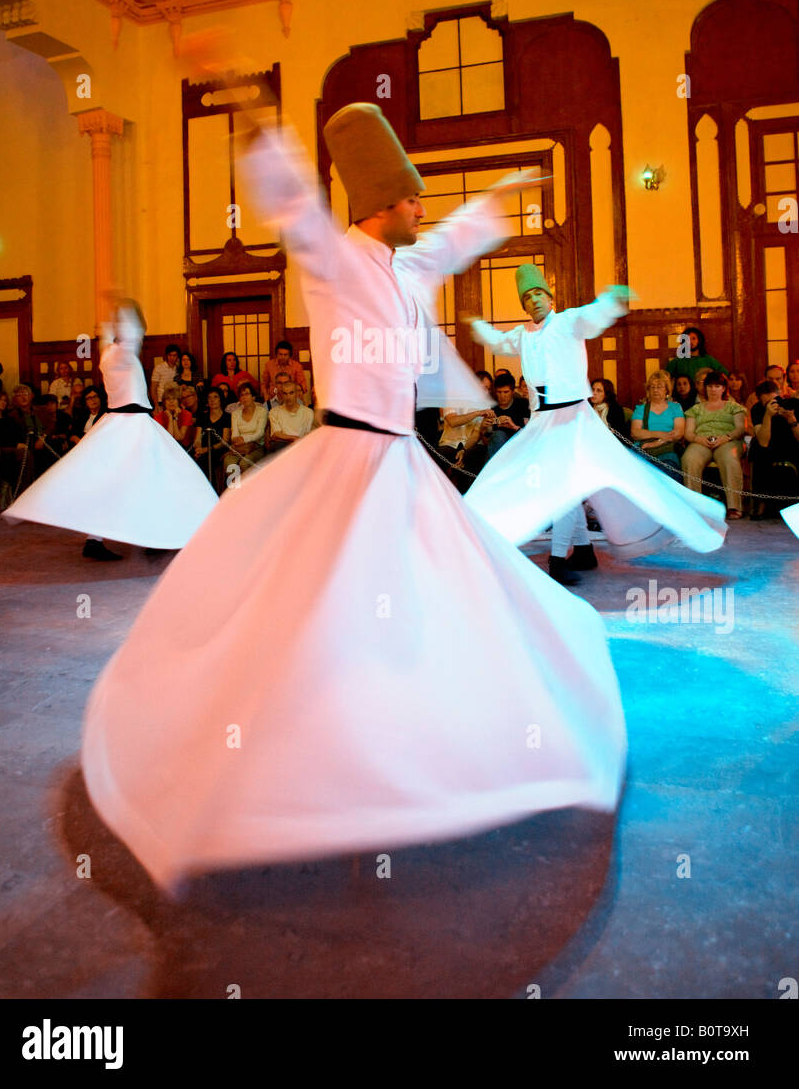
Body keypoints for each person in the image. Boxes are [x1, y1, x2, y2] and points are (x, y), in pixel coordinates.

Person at [80, 56, 625, 893]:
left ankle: (421, 725)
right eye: (411, 197)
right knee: (313, 603)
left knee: (452, 591)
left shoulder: (404, 265)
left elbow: (446, 243)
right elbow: (293, 197)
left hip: (400, 460)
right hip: (347, 458)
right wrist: (249, 111)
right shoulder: (333, 257)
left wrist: (502, 198)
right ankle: (281, 745)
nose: (420, 209)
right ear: (380, 203)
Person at [463, 264, 726, 584]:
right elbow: (499, 341)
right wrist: (478, 326)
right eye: (527, 297)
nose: (533, 301)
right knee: (555, 483)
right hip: (542, 424)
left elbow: (593, 314)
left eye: (538, 294)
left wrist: (611, 301)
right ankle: (583, 549)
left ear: (550, 297)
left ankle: (558, 558)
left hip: (574, 420)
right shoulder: (523, 334)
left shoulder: (568, 321)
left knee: (565, 486)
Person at [4, 300, 218, 558]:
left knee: (121, 479)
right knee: (150, 477)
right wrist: (121, 315)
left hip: (120, 423)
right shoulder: (121, 354)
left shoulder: (107, 354)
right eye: (134, 327)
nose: (139, 333)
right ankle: (144, 536)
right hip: (132, 424)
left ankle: (105, 538)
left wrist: (107, 326)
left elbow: (114, 339)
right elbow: (131, 335)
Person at [681, 371, 746, 519]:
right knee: (689, 458)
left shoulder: (733, 407)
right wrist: (699, 439)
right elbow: (688, 433)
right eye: (710, 386)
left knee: (730, 459)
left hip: (728, 440)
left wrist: (726, 437)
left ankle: (734, 506)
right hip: (701, 441)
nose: (713, 389)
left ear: (723, 388)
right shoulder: (695, 409)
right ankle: (695, 506)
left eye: (717, 386)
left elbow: (740, 428)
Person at [748, 379, 799, 519]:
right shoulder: (758, 409)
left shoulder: (794, 405)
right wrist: (768, 416)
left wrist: (792, 420)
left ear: (781, 394)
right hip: (768, 448)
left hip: (792, 445)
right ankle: (761, 502)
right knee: (757, 449)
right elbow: (763, 441)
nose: (773, 404)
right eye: (767, 403)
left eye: (775, 400)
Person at [630, 370, 685, 478]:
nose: (655, 390)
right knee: (642, 472)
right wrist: (661, 434)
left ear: (667, 390)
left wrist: (657, 443)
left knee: (668, 470)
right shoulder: (641, 409)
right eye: (652, 387)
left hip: (668, 447)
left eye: (659, 387)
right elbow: (635, 432)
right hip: (644, 448)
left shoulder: (675, 407)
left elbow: (679, 433)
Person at [223, 380, 268, 478]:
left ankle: (248, 491)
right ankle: (235, 490)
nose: (244, 397)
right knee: (229, 464)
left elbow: (260, 433)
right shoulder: (235, 414)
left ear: (253, 396)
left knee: (244, 463)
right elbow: (234, 433)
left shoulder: (262, 411)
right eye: (241, 395)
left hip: (256, 446)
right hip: (239, 446)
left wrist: (244, 439)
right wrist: (238, 441)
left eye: (247, 394)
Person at [484, 372, 529, 462]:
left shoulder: (523, 404)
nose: (502, 396)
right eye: (499, 392)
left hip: (519, 445)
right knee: (498, 435)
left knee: (499, 434)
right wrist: (486, 429)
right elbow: (487, 442)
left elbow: (529, 434)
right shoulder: (493, 409)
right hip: (499, 447)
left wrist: (513, 426)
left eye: (506, 392)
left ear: (512, 392)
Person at [193, 385, 231, 490]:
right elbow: (197, 438)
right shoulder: (203, 417)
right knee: (195, 460)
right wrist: (198, 449)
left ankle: (212, 491)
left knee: (206, 461)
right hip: (203, 450)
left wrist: (206, 450)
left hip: (218, 450)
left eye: (215, 397)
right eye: (209, 397)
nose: (212, 400)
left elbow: (225, 441)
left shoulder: (227, 417)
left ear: (221, 400)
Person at [267, 378, 314, 450]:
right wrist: (294, 438)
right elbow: (277, 434)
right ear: (281, 395)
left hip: (303, 447)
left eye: (291, 393)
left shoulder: (308, 412)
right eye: (285, 393)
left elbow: (308, 435)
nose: (288, 397)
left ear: (296, 394)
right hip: (282, 447)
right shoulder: (274, 412)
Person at [261, 340, 308, 404]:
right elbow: (264, 384)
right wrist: (266, 396)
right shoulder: (269, 365)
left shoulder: (297, 366)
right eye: (280, 354)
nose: (282, 357)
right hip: (273, 399)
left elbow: (303, 386)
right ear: (276, 354)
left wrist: (296, 391)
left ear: (290, 356)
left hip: (291, 399)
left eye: (285, 355)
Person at [155, 384, 195, 450]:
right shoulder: (158, 417)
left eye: (174, 398)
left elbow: (178, 438)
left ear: (178, 401)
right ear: (164, 402)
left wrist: (175, 418)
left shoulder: (187, 414)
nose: (171, 401)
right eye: (168, 399)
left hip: (185, 449)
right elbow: (168, 439)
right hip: (166, 448)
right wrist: (170, 418)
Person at [150, 344, 181, 409]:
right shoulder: (158, 368)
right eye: (170, 355)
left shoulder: (179, 368)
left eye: (174, 355)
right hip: (161, 400)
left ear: (177, 356)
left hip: (175, 400)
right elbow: (153, 389)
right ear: (166, 355)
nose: (172, 358)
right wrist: (156, 405)